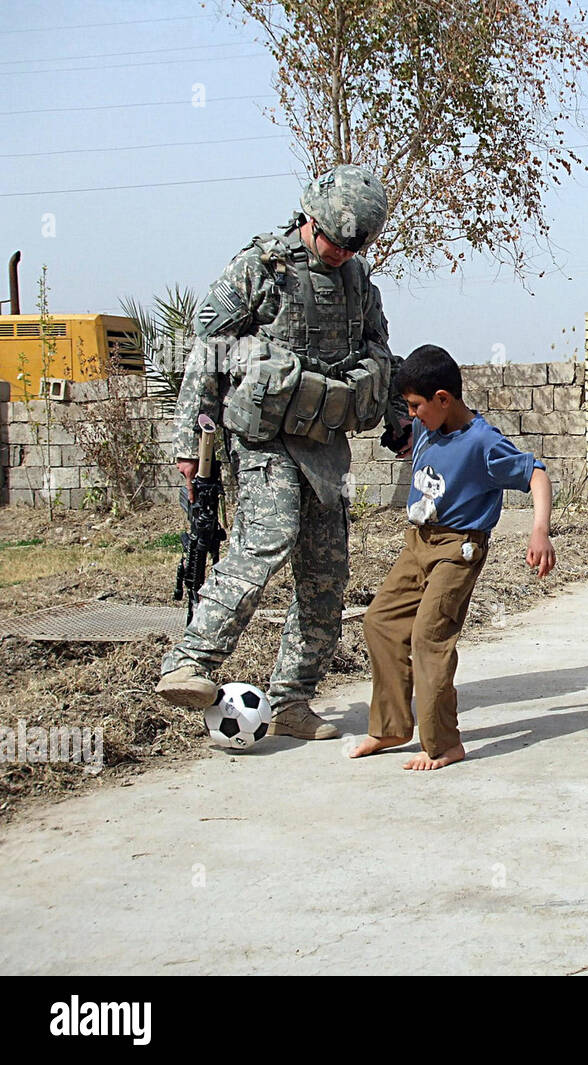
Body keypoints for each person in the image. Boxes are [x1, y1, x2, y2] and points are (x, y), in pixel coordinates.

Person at [156, 164, 410, 741]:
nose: (342, 254)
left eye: (355, 246)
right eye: (335, 241)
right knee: (267, 539)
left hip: (325, 446)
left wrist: (398, 422)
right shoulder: (260, 270)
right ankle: (190, 662)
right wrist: (190, 443)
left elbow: (381, 353)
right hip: (263, 440)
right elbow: (207, 352)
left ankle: (293, 698)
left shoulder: (358, 284)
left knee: (326, 574)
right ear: (310, 218)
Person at [349, 345, 556, 770]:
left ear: (443, 399)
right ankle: (391, 725)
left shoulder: (483, 442)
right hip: (418, 542)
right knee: (381, 622)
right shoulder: (428, 426)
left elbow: (536, 474)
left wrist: (539, 531)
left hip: (458, 549)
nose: (412, 415)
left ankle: (443, 744)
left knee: (429, 636)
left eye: (415, 406)